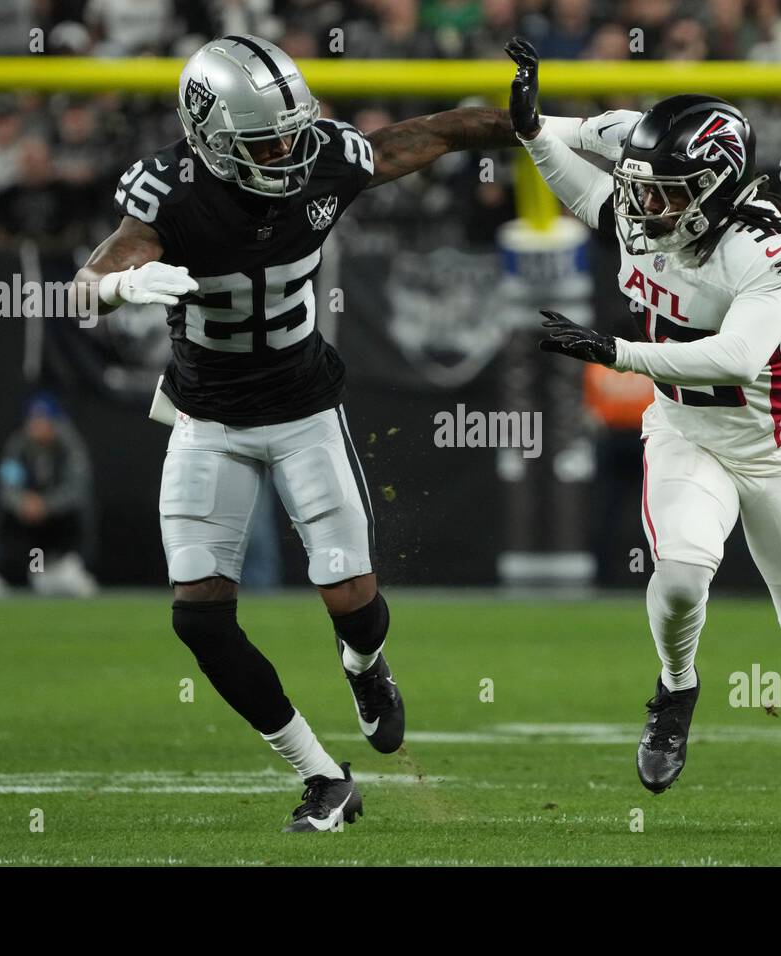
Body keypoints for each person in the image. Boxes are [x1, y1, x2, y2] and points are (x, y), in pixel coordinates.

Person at [74, 35, 520, 832]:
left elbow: (430, 135)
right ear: (208, 137)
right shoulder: (170, 194)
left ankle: (365, 664)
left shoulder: (320, 156)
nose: (287, 150)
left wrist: (523, 122)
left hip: (303, 410)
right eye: (265, 140)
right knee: (199, 618)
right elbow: (83, 290)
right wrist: (127, 284)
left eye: (290, 131)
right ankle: (322, 778)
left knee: (351, 598)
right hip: (207, 417)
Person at [507, 38, 781, 835]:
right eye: (644, 191)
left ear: (711, 188)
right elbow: (590, 178)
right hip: (684, 432)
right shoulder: (656, 194)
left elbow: (740, 357)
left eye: (664, 195)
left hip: (776, 451)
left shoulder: (768, 250)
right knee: (679, 575)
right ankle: (676, 689)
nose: (641, 210)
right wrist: (535, 129)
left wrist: (618, 352)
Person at [0, 393, 97, 598]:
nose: (38, 426)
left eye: (43, 421)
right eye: (34, 421)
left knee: (81, 508)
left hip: (58, 518)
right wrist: (23, 503)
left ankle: (74, 568)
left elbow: (77, 487)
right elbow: (6, 487)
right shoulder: (18, 446)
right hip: (28, 519)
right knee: (2, 514)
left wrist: (46, 504)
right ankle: (6, 574)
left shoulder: (69, 446)